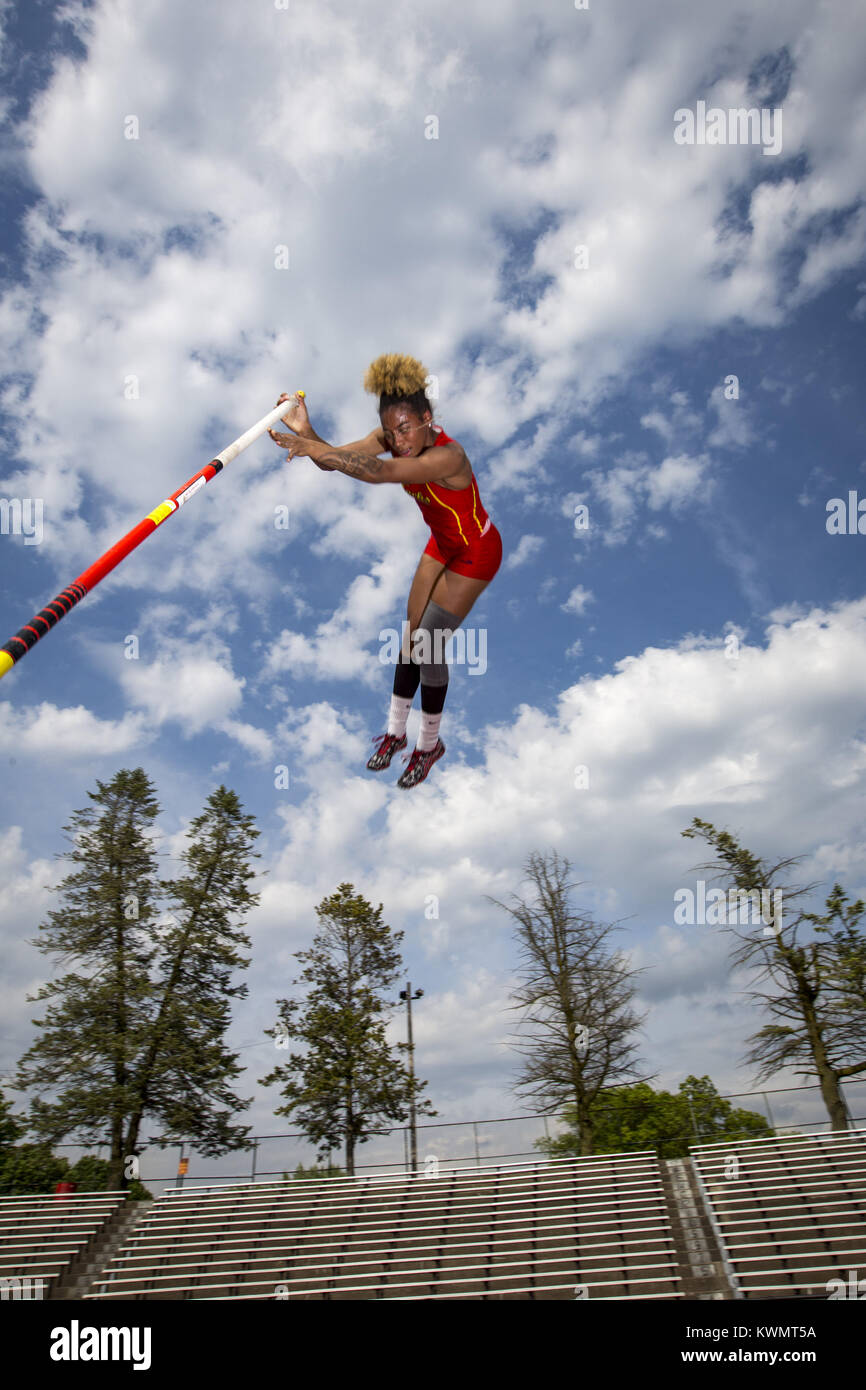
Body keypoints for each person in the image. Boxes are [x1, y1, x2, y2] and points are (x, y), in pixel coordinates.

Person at [269, 353, 502, 787]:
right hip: (441, 544)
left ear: (427, 419)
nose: (399, 439)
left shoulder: (449, 456)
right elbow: (335, 458)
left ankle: (429, 745)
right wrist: (308, 433)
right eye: (392, 432)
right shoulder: (393, 436)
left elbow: (379, 472)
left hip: (476, 551)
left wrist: (315, 449)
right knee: (410, 641)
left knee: (430, 643)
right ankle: (395, 735)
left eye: (407, 428)